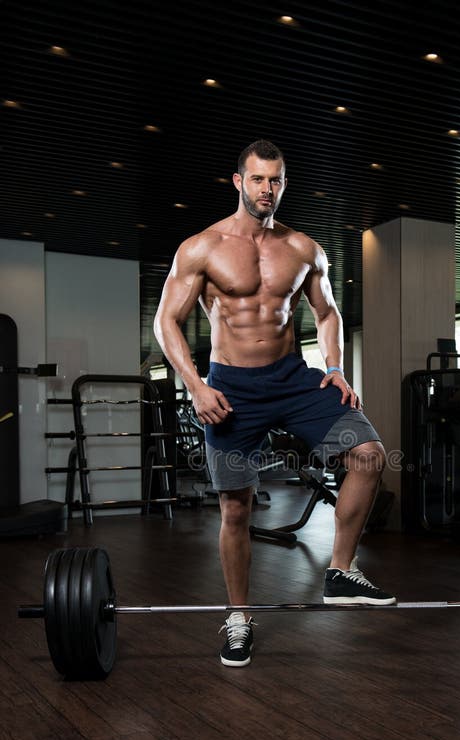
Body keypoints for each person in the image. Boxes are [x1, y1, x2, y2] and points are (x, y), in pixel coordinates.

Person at [154, 139, 396, 667]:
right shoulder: (201, 247)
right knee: (235, 507)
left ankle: (340, 570)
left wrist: (333, 368)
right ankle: (239, 618)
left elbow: (328, 314)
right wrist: (196, 386)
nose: (268, 189)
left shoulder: (304, 248)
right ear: (238, 181)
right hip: (231, 388)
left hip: (292, 379)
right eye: (259, 179)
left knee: (369, 455)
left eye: (278, 180)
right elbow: (165, 321)